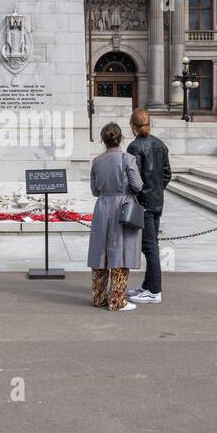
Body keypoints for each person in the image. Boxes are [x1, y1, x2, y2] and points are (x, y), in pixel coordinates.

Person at [87, 122, 143, 312]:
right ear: (121, 138)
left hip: (103, 206)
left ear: (103, 140)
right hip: (123, 207)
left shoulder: (97, 161)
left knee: (100, 251)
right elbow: (137, 185)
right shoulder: (128, 159)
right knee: (120, 251)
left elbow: (95, 190)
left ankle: (99, 297)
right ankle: (117, 300)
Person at [125, 108, 171, 305]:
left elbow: (133, 178)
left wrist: (141, 196)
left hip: (143, 203)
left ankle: (154, 290)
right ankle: (147, 285)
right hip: (157, 200)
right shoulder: (160, 145)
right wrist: (157, 190)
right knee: (151, 245)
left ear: (133, 126)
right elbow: (167, 174)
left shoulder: (134, 148)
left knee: (150, 247)